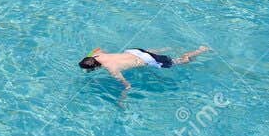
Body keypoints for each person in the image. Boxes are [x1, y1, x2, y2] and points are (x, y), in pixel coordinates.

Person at [79, 46, 210, 91]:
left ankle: (200, 51)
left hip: (147, 60)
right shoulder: (98, 55)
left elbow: (127, 85)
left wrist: (122, 98)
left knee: (181, 61)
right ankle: (166, 49)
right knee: (151, 54)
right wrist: (89, 57)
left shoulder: (112, 69)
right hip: (135, 51)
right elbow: (97, 48)